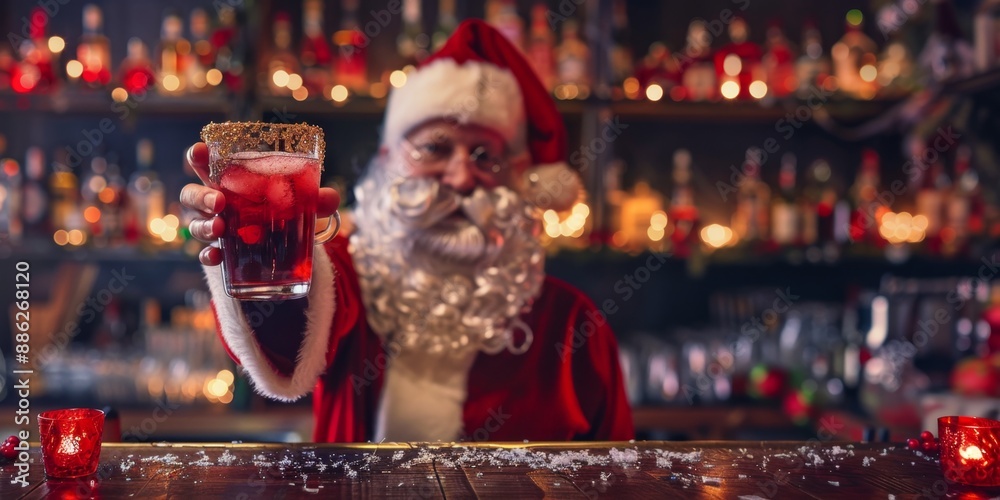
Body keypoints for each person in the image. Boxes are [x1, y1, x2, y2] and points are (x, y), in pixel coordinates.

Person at [181, 19, 633, 442]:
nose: (460, 177)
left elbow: (620, 478)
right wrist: (258, 238)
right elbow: (288, 331)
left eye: (484, 157)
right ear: (389, 159)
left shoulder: (574, 323)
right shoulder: (350, 277)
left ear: (514, 177)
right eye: (435, 147)